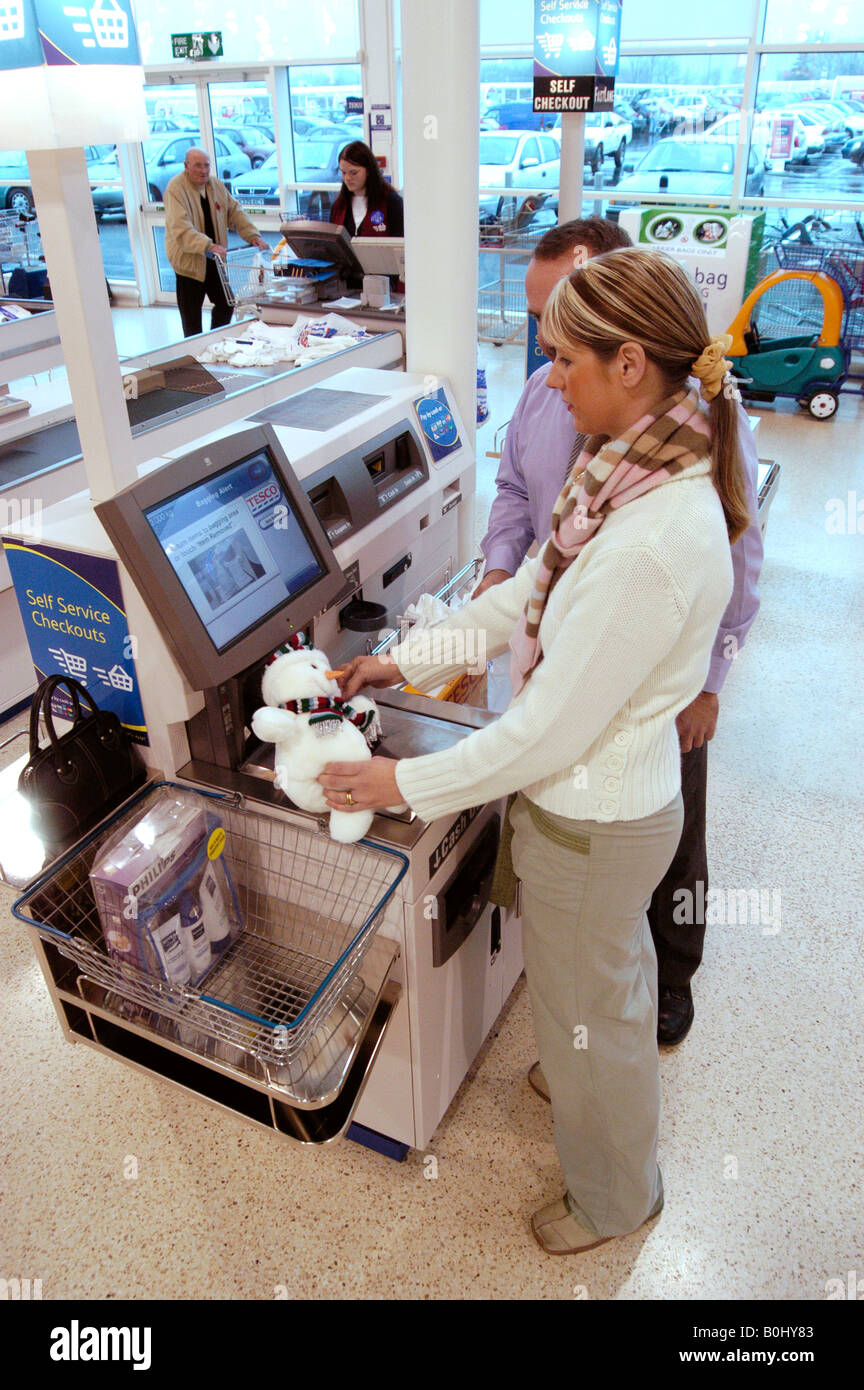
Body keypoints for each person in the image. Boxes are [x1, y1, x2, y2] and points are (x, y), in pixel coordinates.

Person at [316, 247, 748, 1254]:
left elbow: (545, 730)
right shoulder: (634, 472)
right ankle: (584, 1050)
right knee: (601, 981)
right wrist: (404, 666)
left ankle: (613, 1196)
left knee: (592, 996)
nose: (550, 379)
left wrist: (398, 780)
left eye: (565, 359)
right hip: (608, 813)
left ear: (631, 361)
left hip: (596, 821)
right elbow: (524, 595)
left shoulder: (651, 538)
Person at [477, 218, 763, 1046]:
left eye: (560, 344)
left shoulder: (675, 490)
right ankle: (609, 982)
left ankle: (667, 983)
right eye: (540, 335)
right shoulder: (550, 401)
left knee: (666, 849)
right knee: (603, 929)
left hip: (648, 700)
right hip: (572, 639)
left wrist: (710, 679)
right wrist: (501, 573)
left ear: (627, 353)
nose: (544, 363)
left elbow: (739, 557)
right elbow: (518, 502)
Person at [164, 147, 267, 338]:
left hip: (214, 260)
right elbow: (181, 228)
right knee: (191, 318)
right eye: (197, 166)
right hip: (189, 263)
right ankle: (195, 357)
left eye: (206, 165)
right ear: (186, 166)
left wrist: (253, 235)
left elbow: (235, 211)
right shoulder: (175, 189)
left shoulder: (216, 186)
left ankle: (215, 342)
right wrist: (207, 245)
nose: (203, 170)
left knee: (226, 304)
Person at [329, 141, 404, 238]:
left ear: (368, 171)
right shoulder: (338, 207)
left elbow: (401, 245)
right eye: (343, 172)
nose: (347, 178)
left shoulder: (391, 202)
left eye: (353, 172)